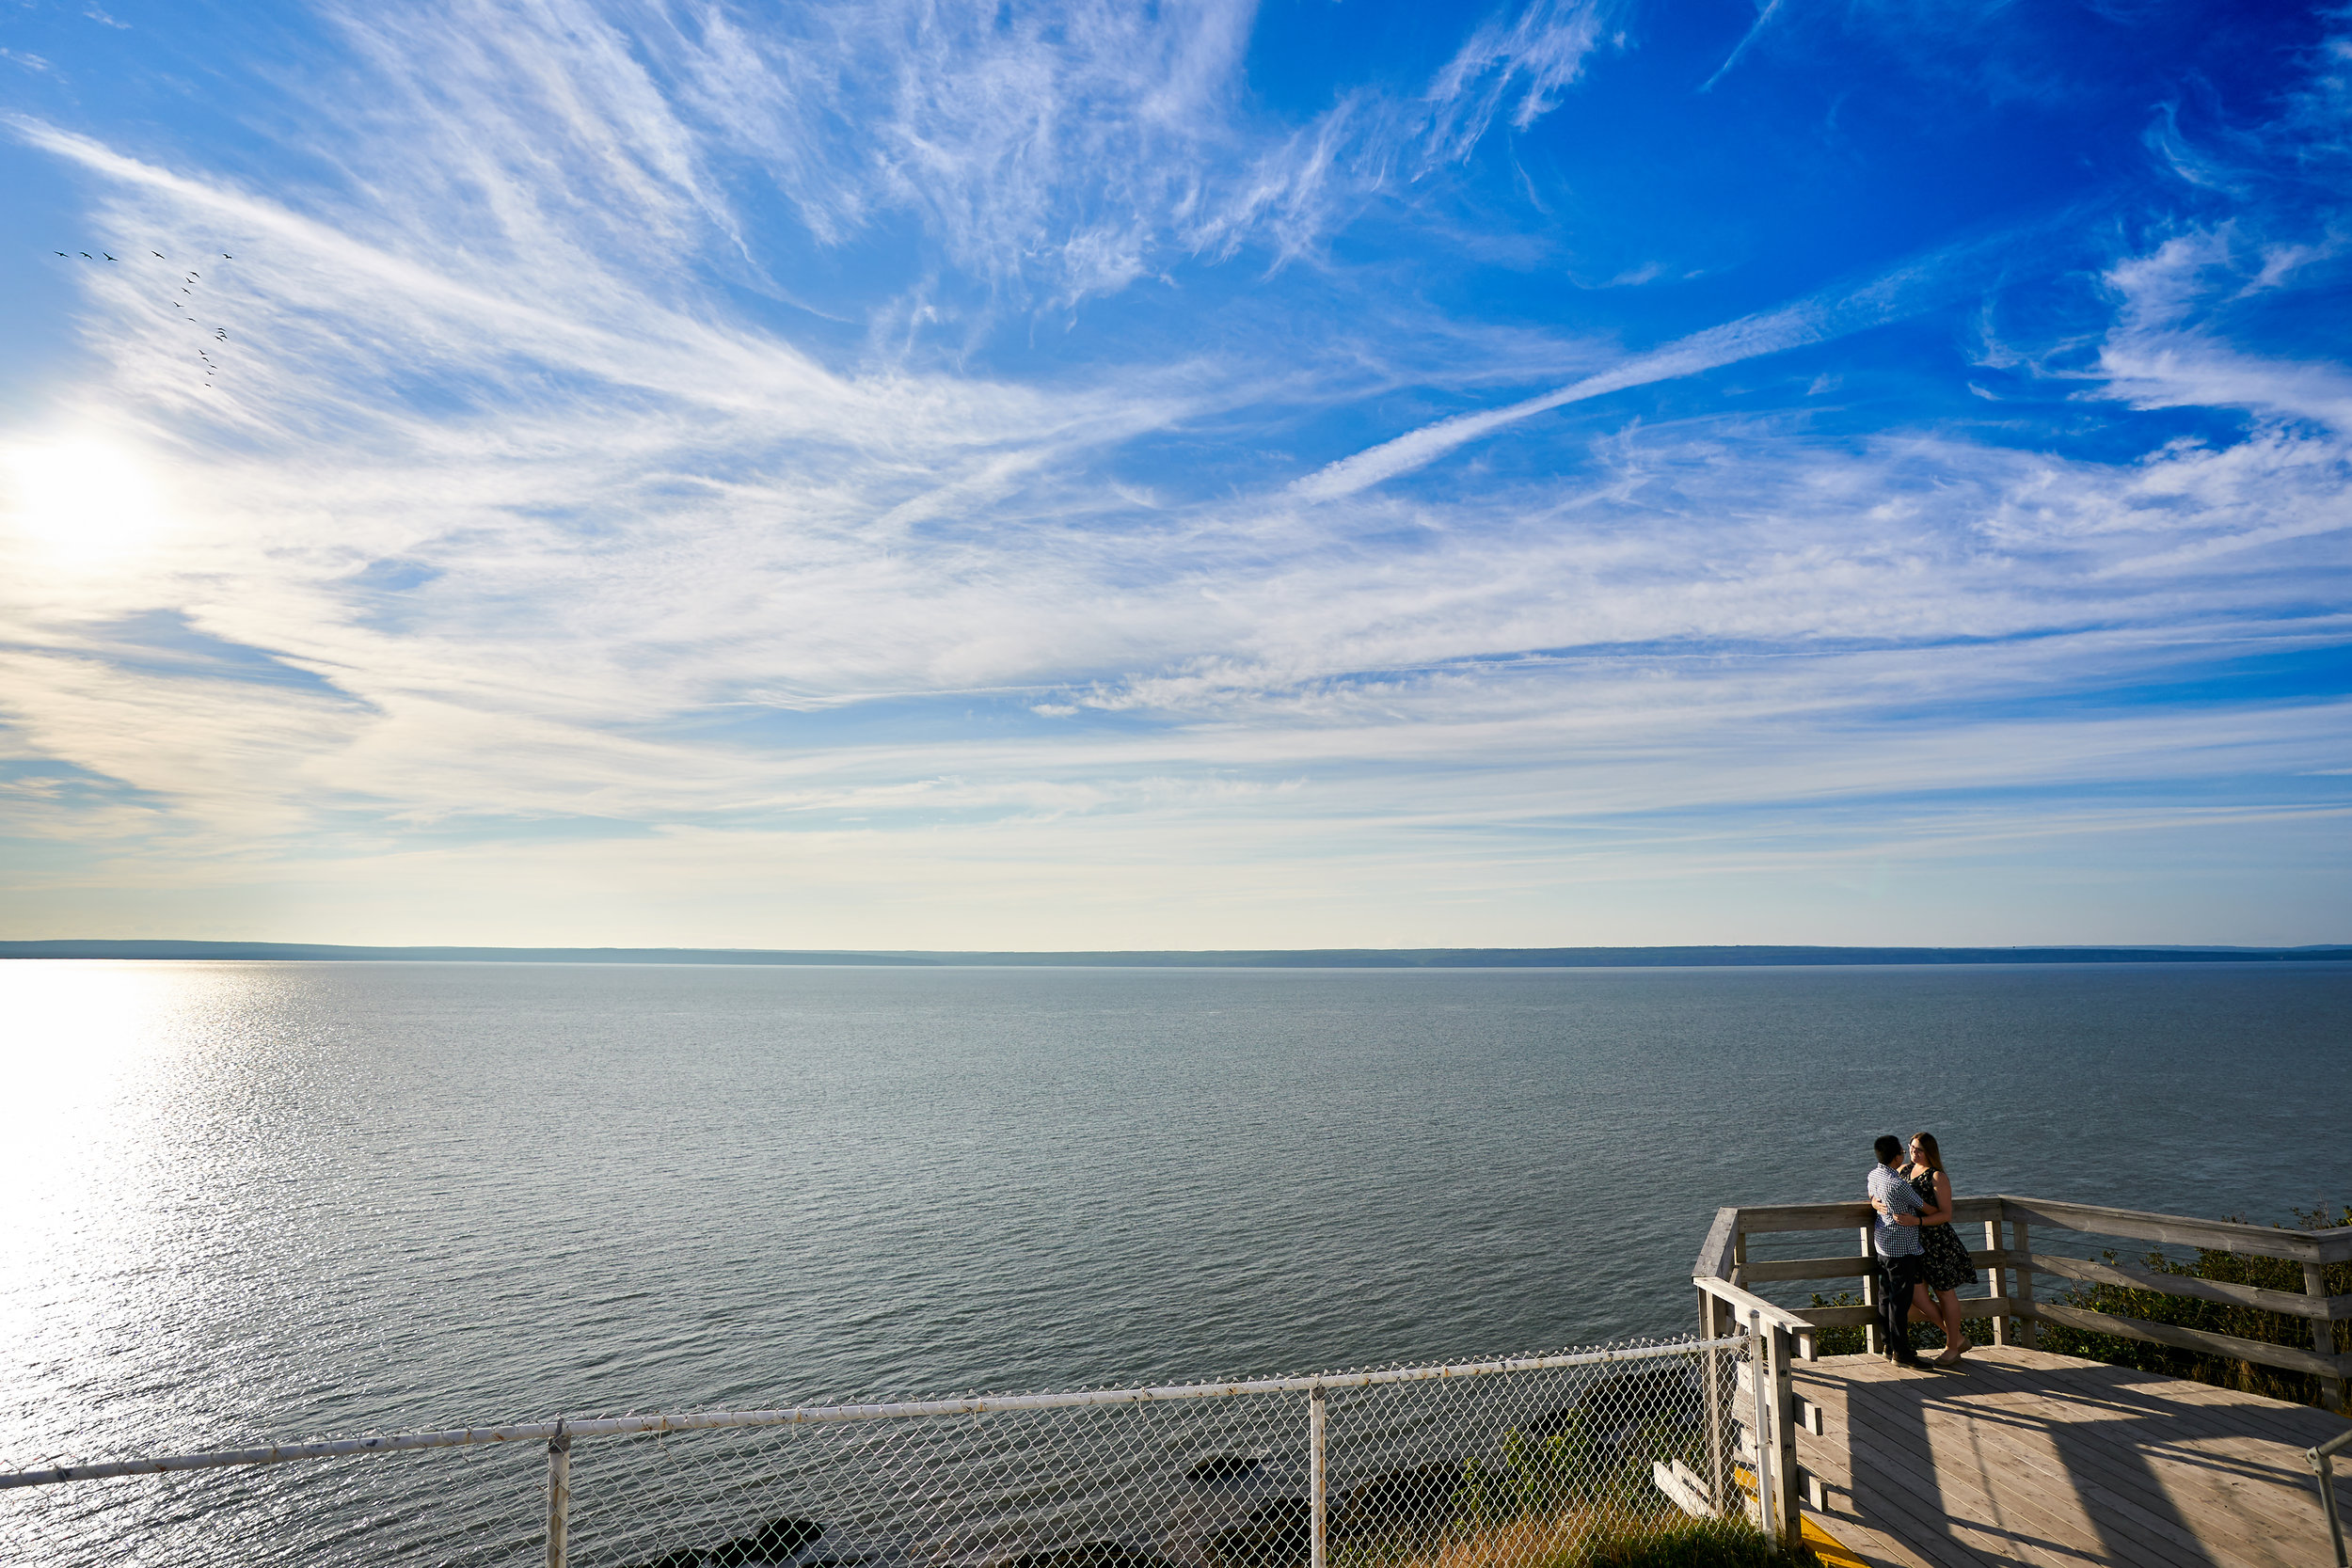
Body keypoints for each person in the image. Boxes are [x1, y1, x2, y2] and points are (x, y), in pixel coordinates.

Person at [1903, 1132, 1979, 1368]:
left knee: (1945, 1293)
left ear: (1930, 1152)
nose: (1914, 1152)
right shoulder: (1903, 1170)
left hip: (1937, 1243)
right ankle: (1957, 1338)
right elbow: (1882, 1188)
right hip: (1910, 1243)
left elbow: (1946, 1214)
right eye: (1911, 1147)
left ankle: (1952, 1347)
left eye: (1919, 1149)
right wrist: (1876, 1202)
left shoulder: (1937, 1176)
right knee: (1916, 1296)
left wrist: (1917, 1220)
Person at [1865, 1134, 1929, 1367]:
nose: (1905, 1154)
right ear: (1896, 1157)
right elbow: (1923, 1206)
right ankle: (1902, 1353)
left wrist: (1874, 1202)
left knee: (1885, 1297)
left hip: (1882, 1244)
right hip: (1901, 1248)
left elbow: (1872, 1196)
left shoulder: (1874, 1175)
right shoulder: (1898, 1184)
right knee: (1900, 1303)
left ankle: (1888, 1345)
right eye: (1903, 1151)